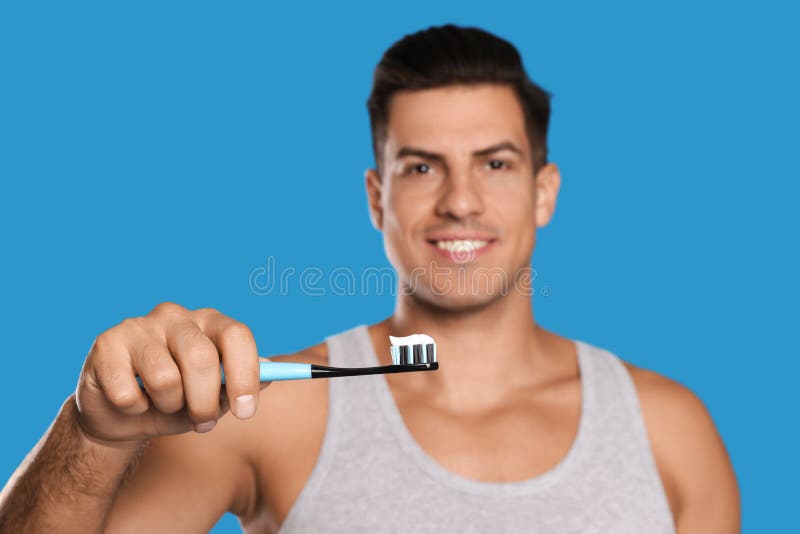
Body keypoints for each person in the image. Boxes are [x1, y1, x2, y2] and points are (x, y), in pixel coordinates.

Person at [0, 24, 739, 533]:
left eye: (496, 163)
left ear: (544, 191)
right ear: (376, 197)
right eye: (421, 166)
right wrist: (93, 433)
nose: (460, 201)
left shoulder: (670, 430)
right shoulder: (267, 410)